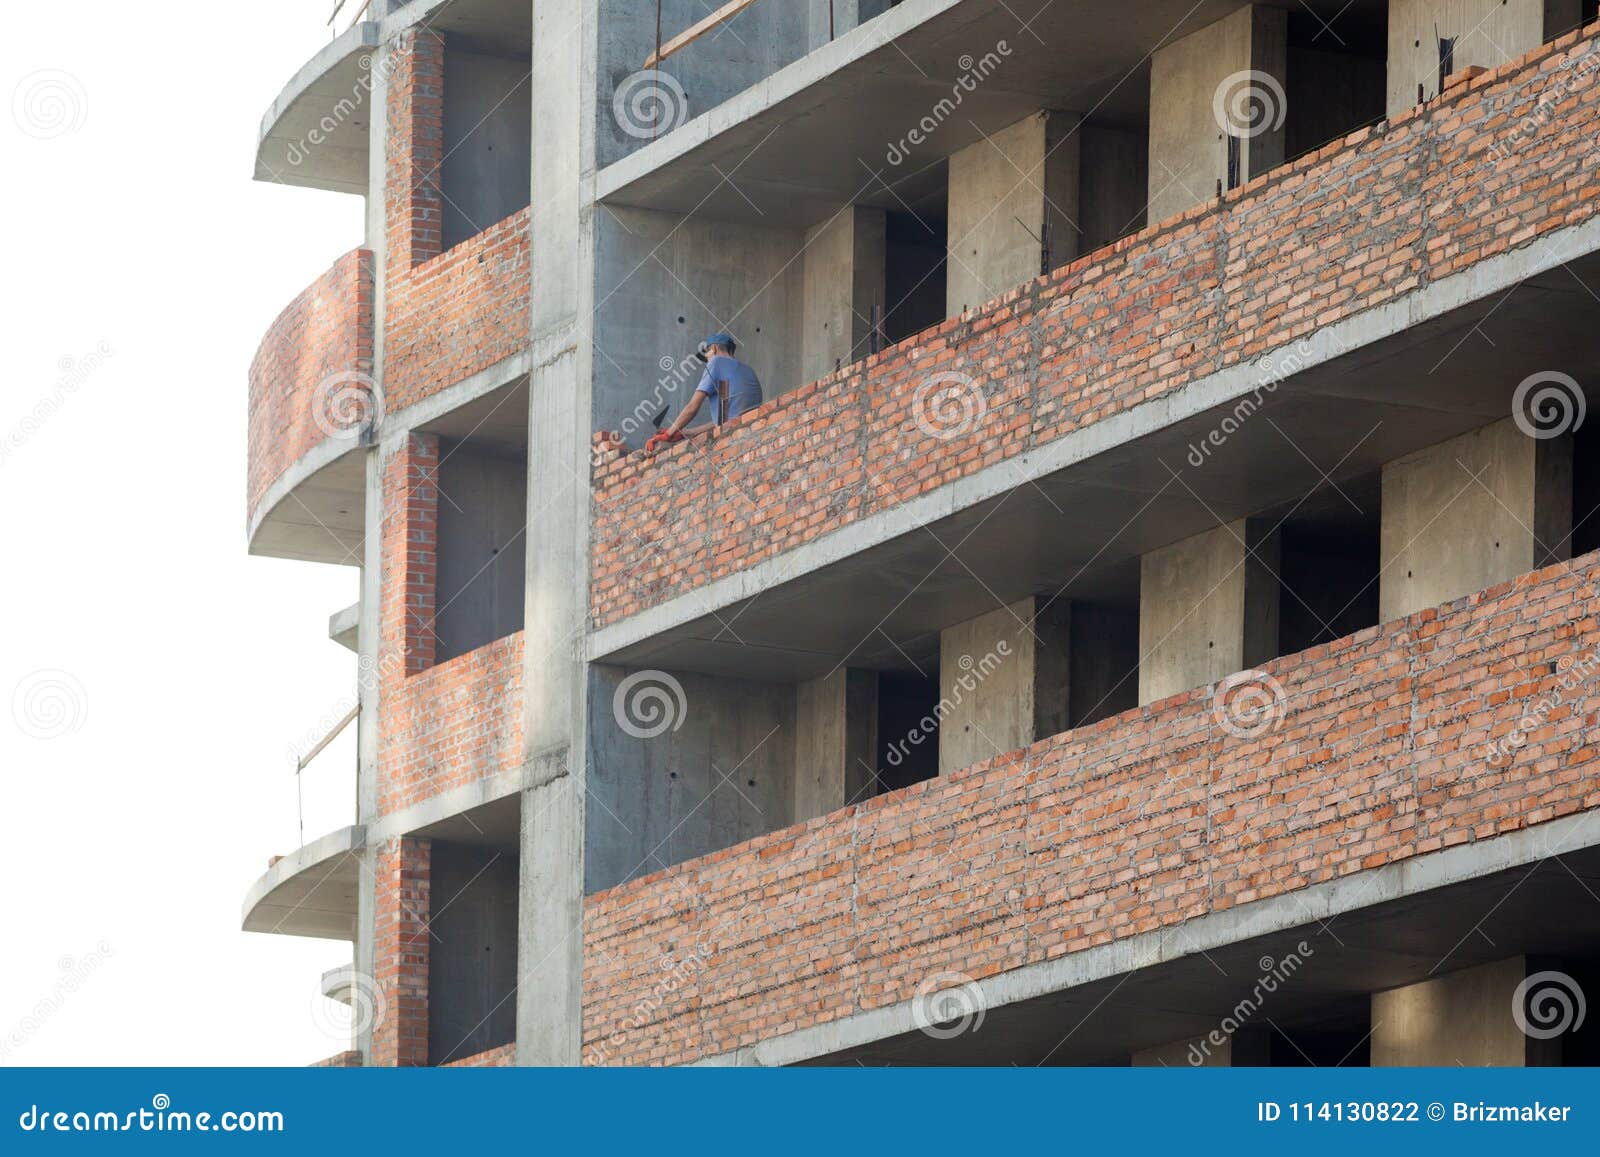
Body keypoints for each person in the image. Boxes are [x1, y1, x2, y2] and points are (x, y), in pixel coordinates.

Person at [647, 333, 763, 452]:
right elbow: (725, 420)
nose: (707, 358)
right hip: (752, 429)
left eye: (707, 353)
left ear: (713, 349)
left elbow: (692, 407)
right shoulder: (748, 370)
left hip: (734, 437)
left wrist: (669, 434)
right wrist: (685, 433)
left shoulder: (716, 362)